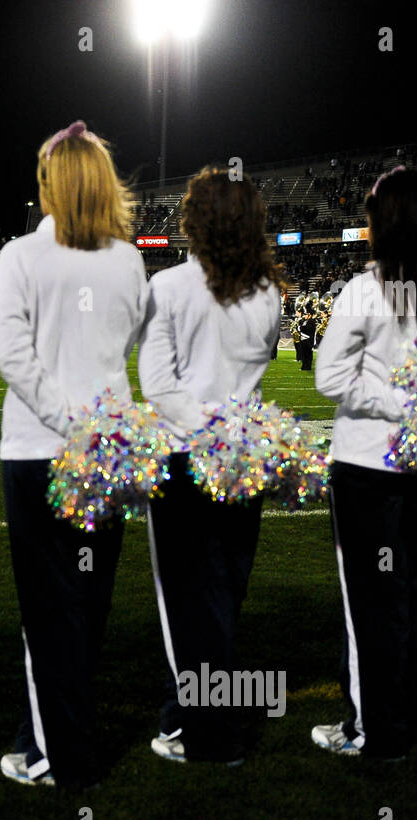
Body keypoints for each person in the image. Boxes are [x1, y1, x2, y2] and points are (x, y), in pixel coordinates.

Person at [0, 121, 148, 790]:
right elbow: (129, 343)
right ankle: (46, 736)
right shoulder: (129, 259)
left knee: (48, 607)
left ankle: (60, 753)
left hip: (39, 450)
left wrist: (63, 421)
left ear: (54, 182)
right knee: (89, 600)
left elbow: (15, 358)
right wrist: (93, 422)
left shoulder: (21, 256)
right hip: (107, 449)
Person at [312, 166, 417, 760]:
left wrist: (392, 403)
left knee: (370, 599)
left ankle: (372, 730)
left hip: (367, 469)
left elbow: (329, 375)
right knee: (408, 589)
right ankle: (395, 716)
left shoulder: (365, 289)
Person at [139, 167, 285, 764]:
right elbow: (260, 366)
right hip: (243, 458)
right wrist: (229, 432)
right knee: (224, 595)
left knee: (188, 604)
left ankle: (209, 735)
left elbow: (157, 384)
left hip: (184, 459)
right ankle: (188, 719)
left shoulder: (169, 286)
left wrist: (205, 431)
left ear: (196, 221)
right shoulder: (270, 292)